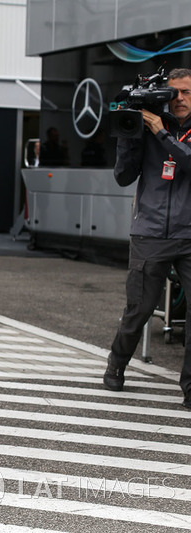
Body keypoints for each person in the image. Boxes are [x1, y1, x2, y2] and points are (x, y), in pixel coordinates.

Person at [102, 67, 191, 410]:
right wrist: (130, 134)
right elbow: (124, 177)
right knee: (139, 308)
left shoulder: (161, 129)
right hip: (150, 232)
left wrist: (161, 133)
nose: (179, 98)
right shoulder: (148, 125)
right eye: (174, 92)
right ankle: (117, 362)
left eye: (186, 92)